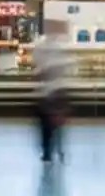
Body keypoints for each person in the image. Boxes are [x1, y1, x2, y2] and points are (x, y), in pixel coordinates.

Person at [32, 19, 74, 162]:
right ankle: (59, 149)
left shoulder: (41, 46)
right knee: (57, 122)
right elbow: (65, 66)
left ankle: (47, 151)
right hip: (58, 90)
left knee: (46, 124)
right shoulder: (59, 47)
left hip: (46, 92)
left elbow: (38, 70)